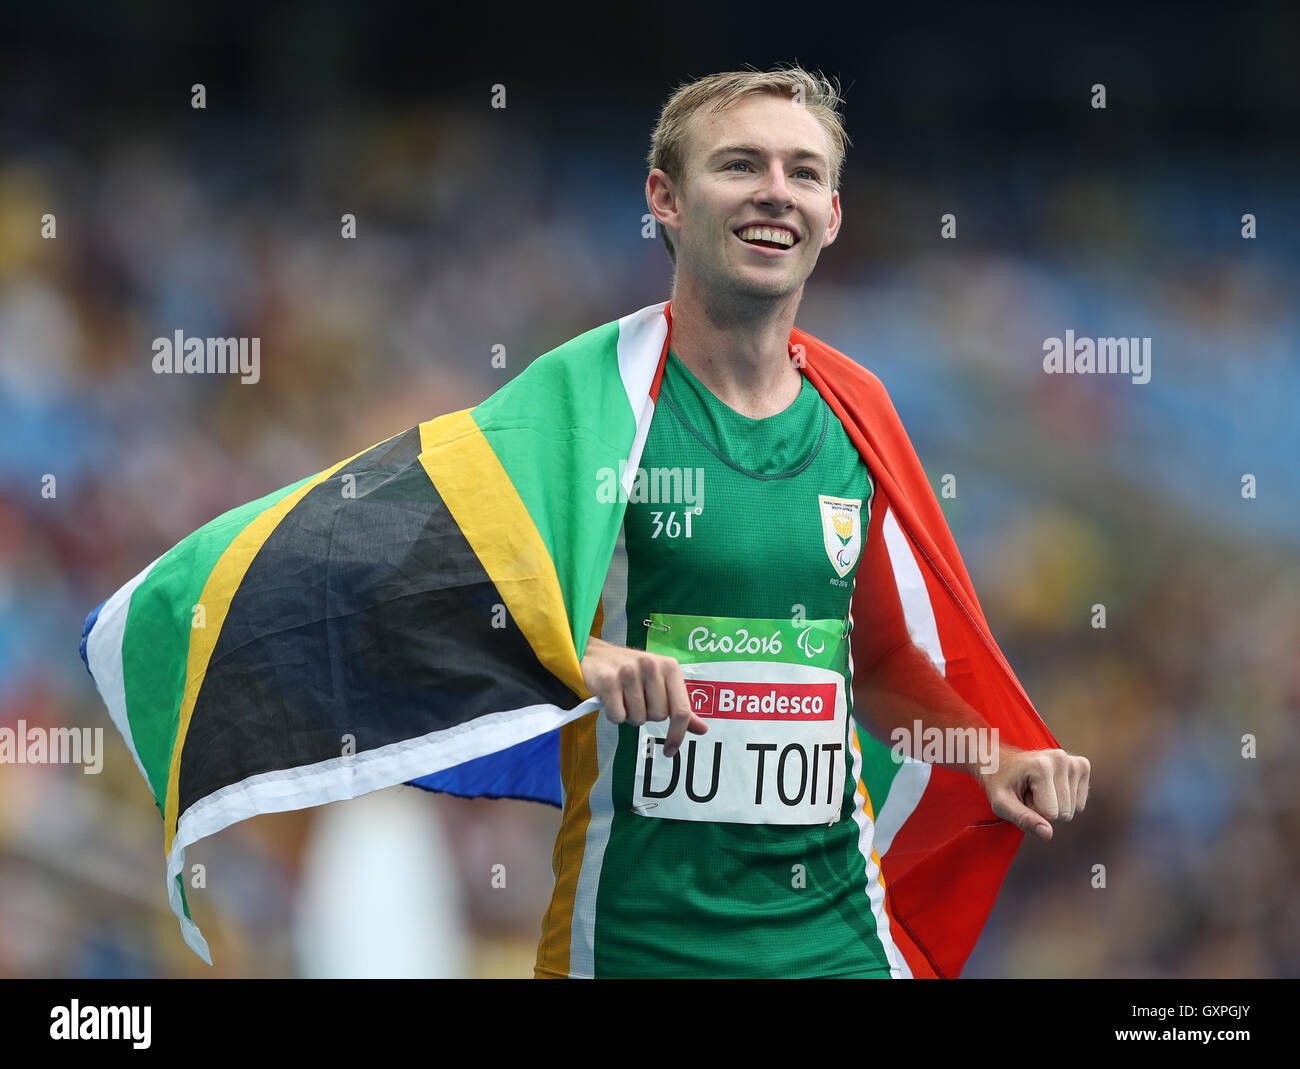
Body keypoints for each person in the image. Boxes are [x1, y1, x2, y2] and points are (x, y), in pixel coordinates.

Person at [532, 66, 1090, 979]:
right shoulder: (590, 397)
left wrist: (990, 752)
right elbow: (458, 590)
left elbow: (874, 661)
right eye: (741, 164)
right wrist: (577, 653)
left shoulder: (855, 410)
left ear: (833, 214)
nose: (774, 193)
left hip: (835, 929)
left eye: (803, 172)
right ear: (664, 198)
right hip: (637, 934)